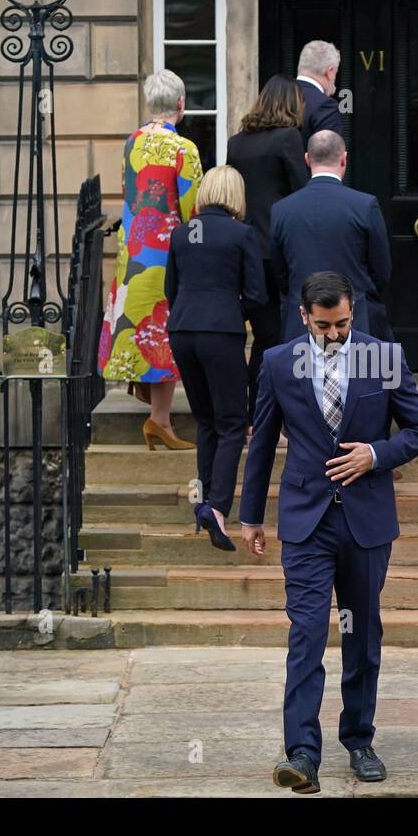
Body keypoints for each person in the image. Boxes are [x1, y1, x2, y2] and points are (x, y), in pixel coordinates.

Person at [240, 271, 418, 794]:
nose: (335, 334)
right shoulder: (279, 362)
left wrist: (376, 454)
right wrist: (251, 515)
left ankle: (360, 740)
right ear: (304, 316)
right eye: (324, 325)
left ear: (354, 313)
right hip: (306, 520)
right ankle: (302, 753)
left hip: (366, 521)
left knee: (361, 632)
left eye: (344, 323)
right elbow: (260, 443)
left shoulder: (383, 357)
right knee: (306, 632)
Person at [99, 68, 201, 450]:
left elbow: (130, 191)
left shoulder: (131, 142)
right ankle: (159, 420)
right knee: (162, 331)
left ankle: (151, 404)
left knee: (139, 323)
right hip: (165, 251)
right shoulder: (184, 149)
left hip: (134, 247)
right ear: (180, 104)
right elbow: (192, 208)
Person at [165, 165, 266, 551]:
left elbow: (170, 289)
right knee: (232, 422)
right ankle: (219, 509)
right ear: (236, 195)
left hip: (181, 331)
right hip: (220, 332)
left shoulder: (180, 234)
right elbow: (256, 296)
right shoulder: (243, 234)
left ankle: (205, 502)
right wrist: (230, 309)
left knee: (206, 420)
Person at [226, 75, 312, 425]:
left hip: (245, 249)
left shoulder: (236, 143)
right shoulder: (289, 138)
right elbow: (301, 194)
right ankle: (288, 416)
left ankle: (255, 416)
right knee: (287, 337)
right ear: (291, 103)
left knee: (263, 339)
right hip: (279, 250)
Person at [270, 130, 390, 343]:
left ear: (307, 159)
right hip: (355, 320)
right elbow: (381, 271)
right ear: (344, 158)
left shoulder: (282, 210)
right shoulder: (364, 205)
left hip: (302, 323)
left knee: (304, 377)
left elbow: (281, 273)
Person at [295, 40, 345, 147]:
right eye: (335, 73)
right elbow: (329, 158)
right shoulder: (325, 105)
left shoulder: (273, 98)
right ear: (330, 71)